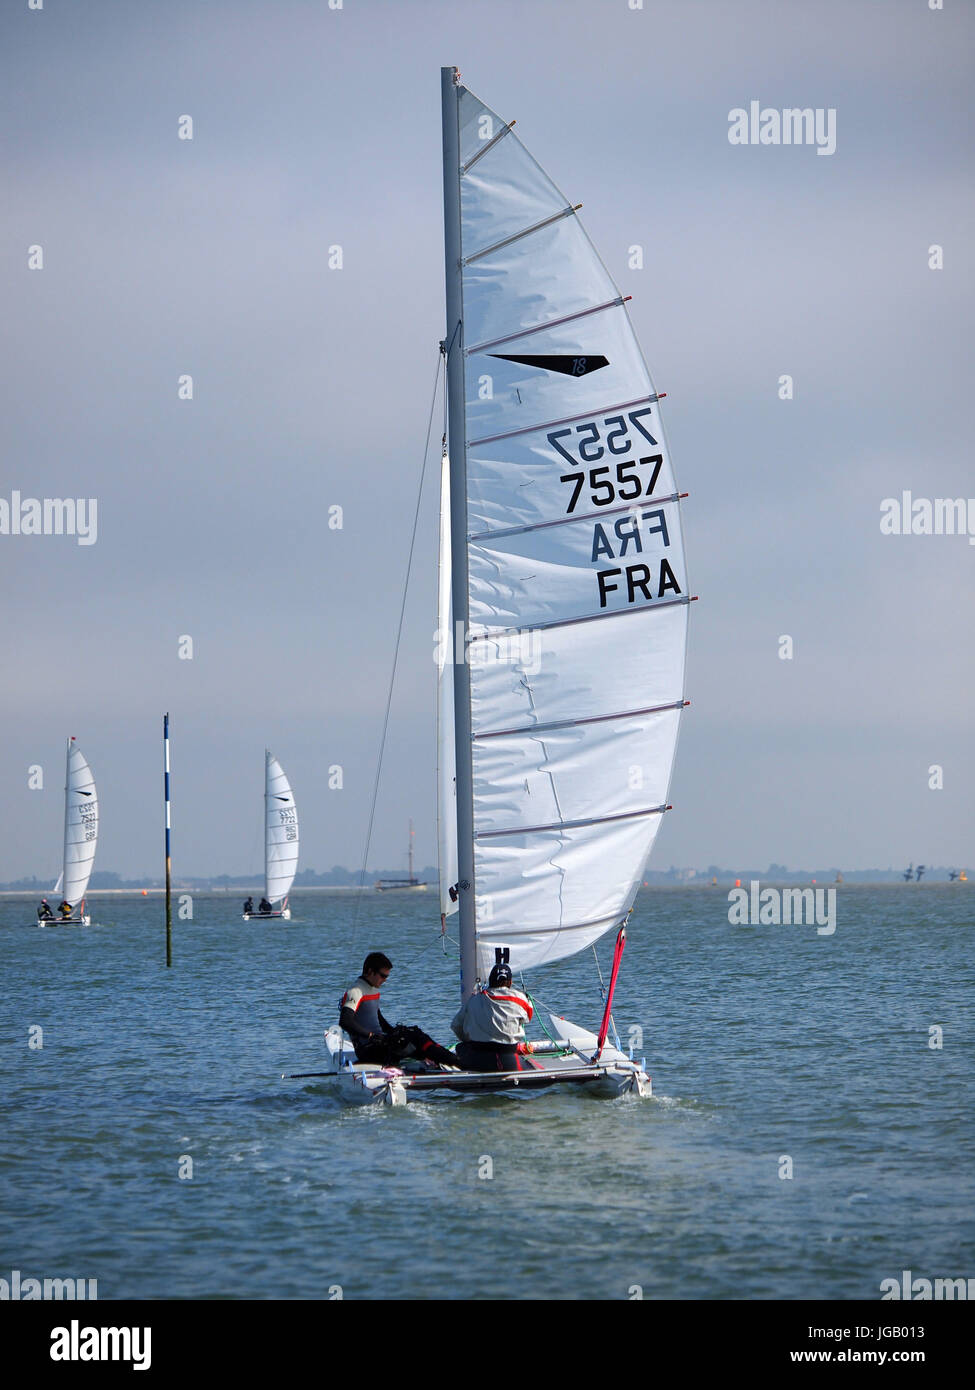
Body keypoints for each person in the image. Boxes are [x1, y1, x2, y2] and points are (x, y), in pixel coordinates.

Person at [339, 952, 458, 1070]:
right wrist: (370, 1036)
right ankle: (451, 1060)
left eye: (387, 976)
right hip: (368, 1050)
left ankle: (443, 1059)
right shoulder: (355, 991)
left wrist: (392, 1031)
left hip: (379, 1044)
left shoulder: (373, 989)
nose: (385, 980)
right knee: (413, 1037)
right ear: (370, 971)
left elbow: (378, 1019)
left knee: (413, 1033)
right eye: (383, 976)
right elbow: (345, 1021)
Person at [451, 961, 535, 1072]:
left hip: (479, 1059)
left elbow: (456, 1025)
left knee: (461, 1047)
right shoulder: (520, 999)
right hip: (508, 1060)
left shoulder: (474, 999)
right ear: (510, 983)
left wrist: (468, 1039)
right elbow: (528, 1018)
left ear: (490, 980)